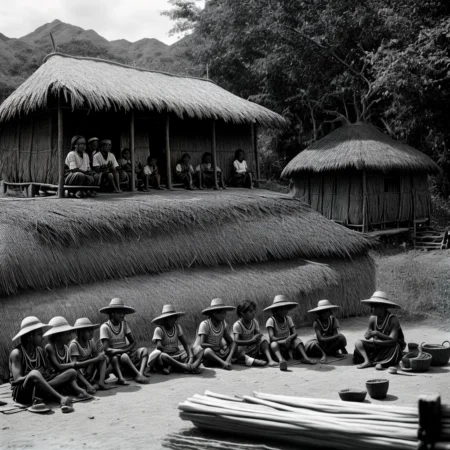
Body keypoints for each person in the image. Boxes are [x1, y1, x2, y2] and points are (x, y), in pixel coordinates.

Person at [9, 317, 75, 413]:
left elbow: (47, 374)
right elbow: (17, 380)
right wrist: (34, 374)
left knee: (71, 372)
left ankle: (43, 394)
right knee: (34, 373)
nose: (42, 337)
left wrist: (44, 375)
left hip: (40, 387)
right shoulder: (17, 353)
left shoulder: (40, 350)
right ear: (30, 336)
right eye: (39, 334)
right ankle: (60, 398)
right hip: (24, 392)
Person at [99, 298, 150, 384]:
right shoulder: (105, 327)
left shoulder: (124, 324)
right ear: (112, 313)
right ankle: (134, 374)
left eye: (123, 313)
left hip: (126, 352)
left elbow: (133, 342)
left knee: (144, 350)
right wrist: (122, 351)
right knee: (123, 356)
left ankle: (140, 373)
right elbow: (106, 349)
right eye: (119, 313)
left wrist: (126, 350)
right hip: (115, 356)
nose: (122, 315)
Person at [44, 316, 94, 400]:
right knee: (72, 372)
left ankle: (78, 390)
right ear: (57, 336)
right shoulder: (50, 347)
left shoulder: (66, 348)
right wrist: (73, 364)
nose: (70, 337)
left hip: (64, 378)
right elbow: (58, 367)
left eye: (70, 333)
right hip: (53, 378)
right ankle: (77, 390)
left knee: (72, 373)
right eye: (67, 334)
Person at [353, 291, 406, 369]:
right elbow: (368, 335)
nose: (372, 309)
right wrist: (368, 335)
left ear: (382, 307)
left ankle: (381, 362)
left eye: (375, 306)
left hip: (390, 346)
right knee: (358, 343)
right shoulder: (372, 318)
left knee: (395, 348)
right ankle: (367, 361)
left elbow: (393, 341)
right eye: (372, 306)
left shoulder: (392, 319)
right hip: (377, 344)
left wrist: (377, 334)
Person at [264, 295, 317, 371]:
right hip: (278, 343)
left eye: (286, 308)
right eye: (281, 308)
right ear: (276, 310)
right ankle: (281, 360)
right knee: (273, 344)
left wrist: (289, 338)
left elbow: (295, 333)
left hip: (288, 342)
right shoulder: (271, 321)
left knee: (297, 340)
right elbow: (272, 338)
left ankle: (305, 358)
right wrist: (284, 339)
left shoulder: (288, 319)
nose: (284, 310)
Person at [149, 305, 203, 375]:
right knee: (163, 356)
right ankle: (185, 367)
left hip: (177, 354)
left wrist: (191, 357)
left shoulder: (177, 327)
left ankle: (178, 367)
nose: (173, 320)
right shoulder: (159, 329)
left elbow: (185, 344)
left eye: (174, 317)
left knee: (199, 350)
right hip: (167, 356)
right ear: (165, 319)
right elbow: (159, 347)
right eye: (171, 318)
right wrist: (171, 350)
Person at [192, 298, 238, 370]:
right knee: (207, 351)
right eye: (222, 313)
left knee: (235, 345)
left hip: (216, 351)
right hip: (203, 350)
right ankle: (222, 363)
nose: (224, 315)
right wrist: (215, 346)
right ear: (214, 313)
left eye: (225, 313)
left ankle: (226, 360)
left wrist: (229, 357)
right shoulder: (205, 324)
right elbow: (202, 344)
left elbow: (231, 342)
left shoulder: (222, 324)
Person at [69, 318, 112, 394]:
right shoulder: (74, 345)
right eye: (88, 330)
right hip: (80, 375)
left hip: (89, 371)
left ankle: (101, 382)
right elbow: (75, 366)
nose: (91, 332)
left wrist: (101, 358)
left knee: (103, 358)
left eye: (92, 330)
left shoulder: (91, 341)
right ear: (80, 332)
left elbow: (96, 357)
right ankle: (87, 385)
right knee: (74, 370)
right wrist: (95, 360)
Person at [232, 300, 276, 367]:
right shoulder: (237, 325)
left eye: (253, 311)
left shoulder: (254, 322)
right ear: (242, 313)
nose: (253, 313)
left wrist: (258, 336)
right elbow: (236, 341)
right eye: (250, 311)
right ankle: (253, 361)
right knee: (237, 348)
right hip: (244, 351)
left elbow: (257, 334)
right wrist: (251, 341)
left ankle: (270, 360)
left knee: (263, 339)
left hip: (253, 348)